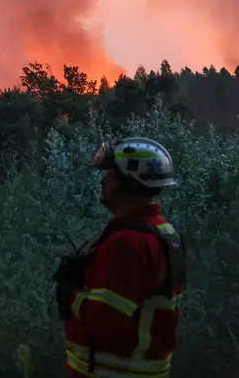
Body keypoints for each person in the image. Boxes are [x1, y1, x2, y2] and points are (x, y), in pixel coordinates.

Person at [54, 137, 187, 378]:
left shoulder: (129, 243)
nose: (104, 180)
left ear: (127, 183)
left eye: (110, 174)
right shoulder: (164, 233)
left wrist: (71, 295)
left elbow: (104, 321)